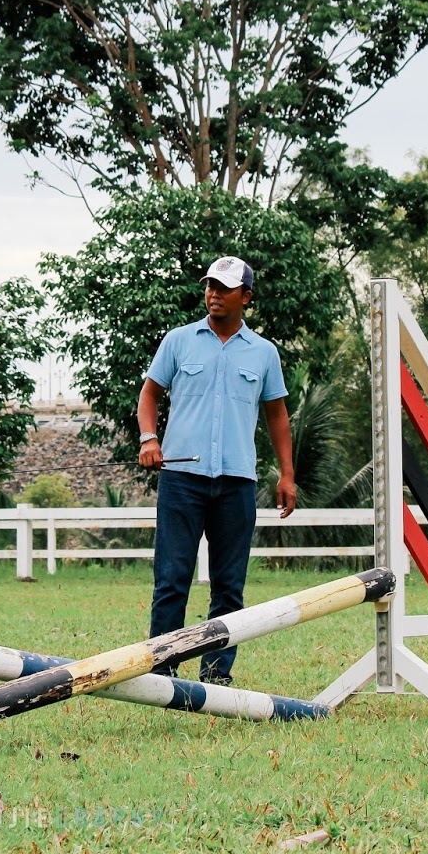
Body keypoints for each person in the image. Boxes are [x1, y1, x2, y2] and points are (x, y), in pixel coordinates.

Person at [137, 255, 295, 684]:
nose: (213, 294)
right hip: (181, 480)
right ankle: (162, 673)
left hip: (236, 483)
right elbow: (149, 394)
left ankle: (216, 675)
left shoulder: (264, 353)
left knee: (229, 588)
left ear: (246, 297)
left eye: (224, 289)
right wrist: (149, 439)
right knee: (171, 580)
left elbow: (277, 415)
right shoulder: (178, 341)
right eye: (210, 286)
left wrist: (287, 474)